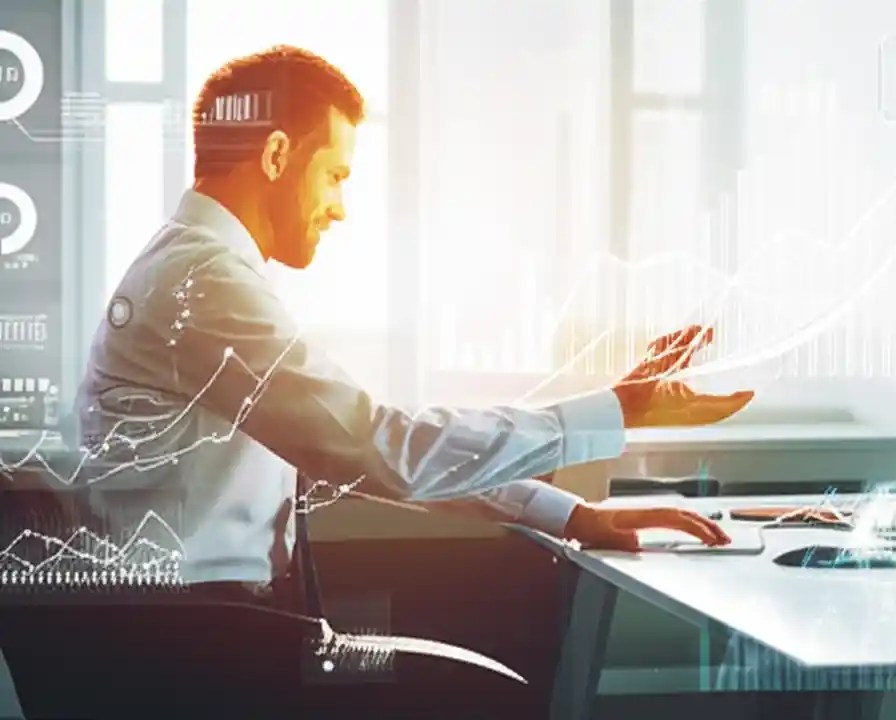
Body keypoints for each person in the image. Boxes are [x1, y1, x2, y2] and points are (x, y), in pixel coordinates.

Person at [72, 45, 754, 605]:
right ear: (277, 157)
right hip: (190, 638)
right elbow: (383, 446)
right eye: (334, 175)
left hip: (207, 621)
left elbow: (367, 445)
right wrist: (618, 408)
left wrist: (571, 514)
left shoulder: (203, 274)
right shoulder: (206, 283)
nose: (339, 207)